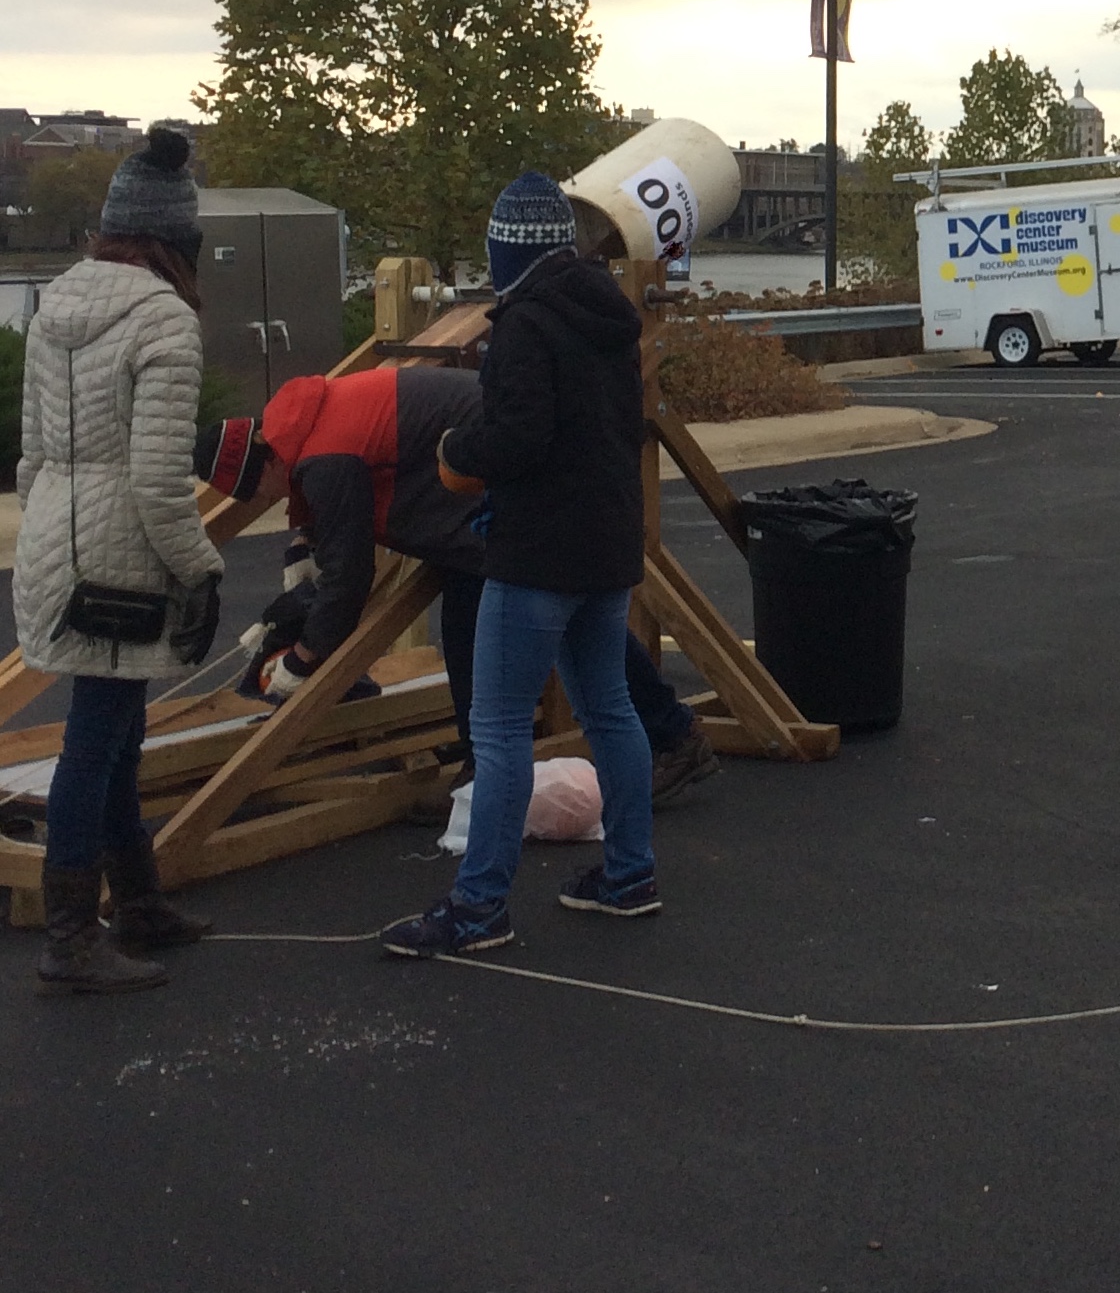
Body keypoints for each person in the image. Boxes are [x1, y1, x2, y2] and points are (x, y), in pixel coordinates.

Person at [191, 368, 718, 821]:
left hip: (518, 476)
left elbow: (348, 578)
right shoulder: (306, 421)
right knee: (469, 619)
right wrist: (303, 545)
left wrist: (303, 661)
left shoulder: (324, 455)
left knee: (560, 613)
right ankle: (481, 769)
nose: (266, 500)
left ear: (264, 463)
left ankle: (672, 736)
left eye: (257, 492)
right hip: (499, 473)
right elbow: (330, 499)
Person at [380, 172, 657, 956]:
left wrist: (453, 453)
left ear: (508, 251)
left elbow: (518, 438)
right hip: (607, 546)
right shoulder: (610, 319)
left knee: (499, 730)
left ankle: (478, 906)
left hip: (538, 553)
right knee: (611, 708)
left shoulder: (525, 326)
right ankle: (630, 872)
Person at [14, 128, 225, 994]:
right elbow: (157, 477)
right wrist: (202, 567)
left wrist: (55, 530)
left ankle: (137, 900)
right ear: (178, 240)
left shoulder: (52, 306)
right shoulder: (163, 319)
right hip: (121, 557)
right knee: (96, 742)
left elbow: (30, 458)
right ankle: (70, 933)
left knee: (118, 734)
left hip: (54, 545)